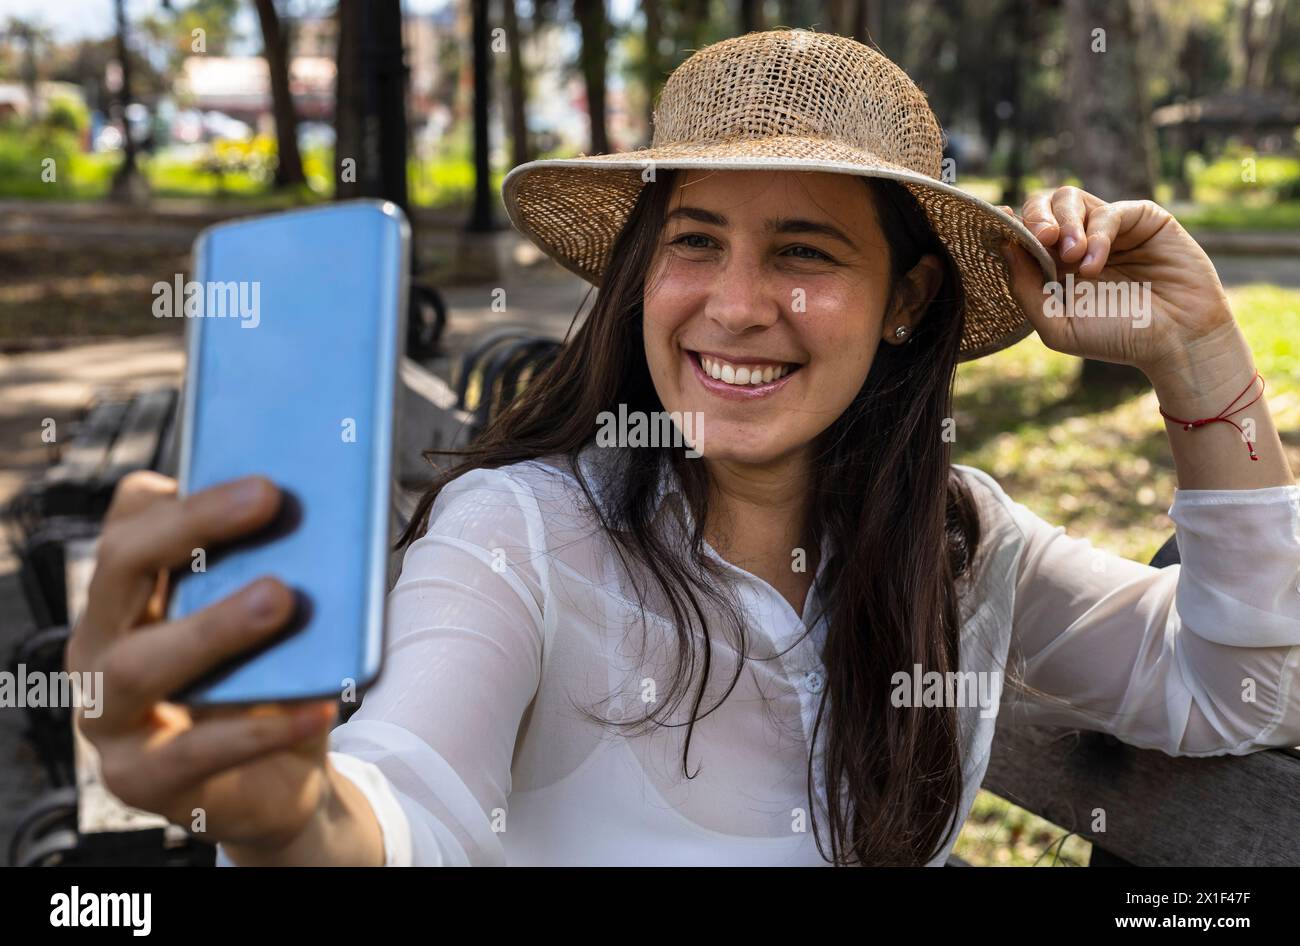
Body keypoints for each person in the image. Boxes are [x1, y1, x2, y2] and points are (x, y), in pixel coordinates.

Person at [68, 29, 1300, 867]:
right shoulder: (521, 532)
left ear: (910, 301)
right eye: (694, 239)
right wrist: (293, 816)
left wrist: (1201, 364)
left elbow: (1236, 689)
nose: (733, 302)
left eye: (805, 251)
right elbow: (407, 795)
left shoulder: (962, 541)